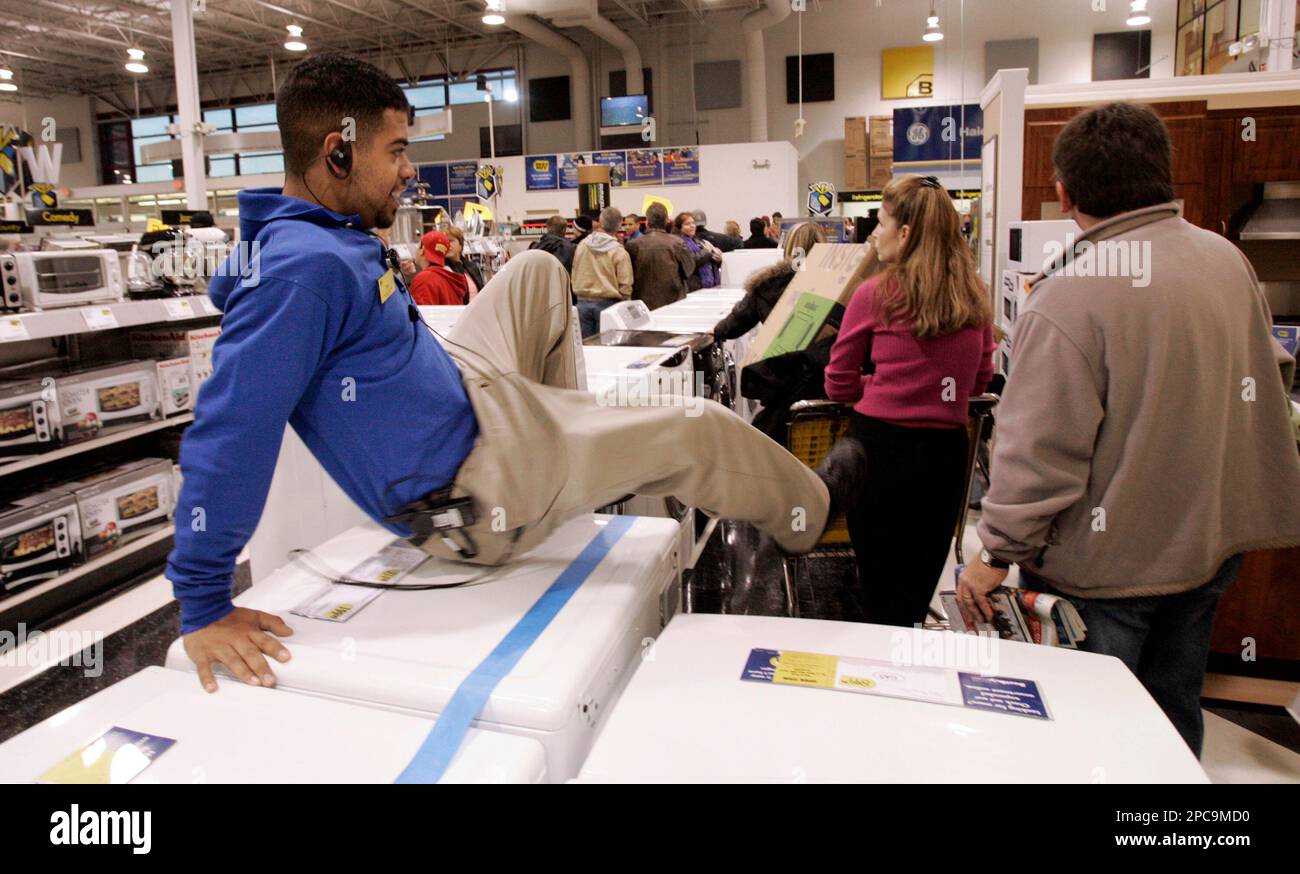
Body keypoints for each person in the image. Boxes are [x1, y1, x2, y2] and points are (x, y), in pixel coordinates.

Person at [167, 52, 832, 692]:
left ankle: (569, 455)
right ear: (337, 154)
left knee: (538, 271)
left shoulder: (317, 234)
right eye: (395, 151)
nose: (407, 171)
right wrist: (202, 603)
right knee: (700, 429)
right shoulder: (300, 273)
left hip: (470, 396)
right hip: (473, 490)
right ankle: (818, 513)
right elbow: (232, 430)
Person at [956, 102, 1300, 755]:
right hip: (1208, 549)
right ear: (1164, 176)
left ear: (1064, 193)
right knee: (1172, 720)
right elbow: (1271, 378)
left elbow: (1039, 453)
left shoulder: (1068, 293)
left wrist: (993, 554)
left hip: (1104, 573)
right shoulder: (1227, 261)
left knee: (1090, 740)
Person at [823, 175, 995, 628]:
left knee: (877, 583)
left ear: (905, 233)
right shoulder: (974, 294)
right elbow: (980, 377)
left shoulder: (874, 294)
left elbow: (838, 382)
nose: (873, 233)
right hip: (943, 456)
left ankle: (879, 677)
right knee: (916, 585)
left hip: (877, 452)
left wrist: (878, 386)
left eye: (880, 223)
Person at [713, 222, 839, 441]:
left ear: (789, 247)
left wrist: (715, 332)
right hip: (826, 382)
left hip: (780, 381)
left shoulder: (767, 284)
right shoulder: (838, 283)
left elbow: (736, 323)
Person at [572, 206, 633, 337]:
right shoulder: (619, 251)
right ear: (619, 226)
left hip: (581, 304)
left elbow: (575, 271)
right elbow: (626, 284)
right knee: (607, 351)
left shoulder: (582, 245)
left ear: (600, 221)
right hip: (609, 306)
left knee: (586, 351)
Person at [626, 202, 694, 310]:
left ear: (647, 222)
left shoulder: (632, 245)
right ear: (666, 220)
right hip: (674, 304)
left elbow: (628, 277)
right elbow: (689, 270)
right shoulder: (678, 243)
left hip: (642, 306)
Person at [408, 230, 468, 306]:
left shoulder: (424, 280)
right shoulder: (449, 276)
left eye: (418, 246)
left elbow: (422, 315)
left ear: (422, 250)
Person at [673, 211, 721, 291]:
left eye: (693, 223)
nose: (692, 226)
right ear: (679, 227)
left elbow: (708, 259)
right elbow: (691, 261)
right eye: (687, 224)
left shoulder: (698, 241)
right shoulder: (678, 243)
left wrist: (717, 258)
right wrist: (707, 252)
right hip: (692, 287)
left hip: (706, 286)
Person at [444, 225, 484, 301]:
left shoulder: (471, 266)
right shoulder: (443, 269)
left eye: (451, 241)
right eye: (444, 241)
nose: (447, 244)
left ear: (460, 245)